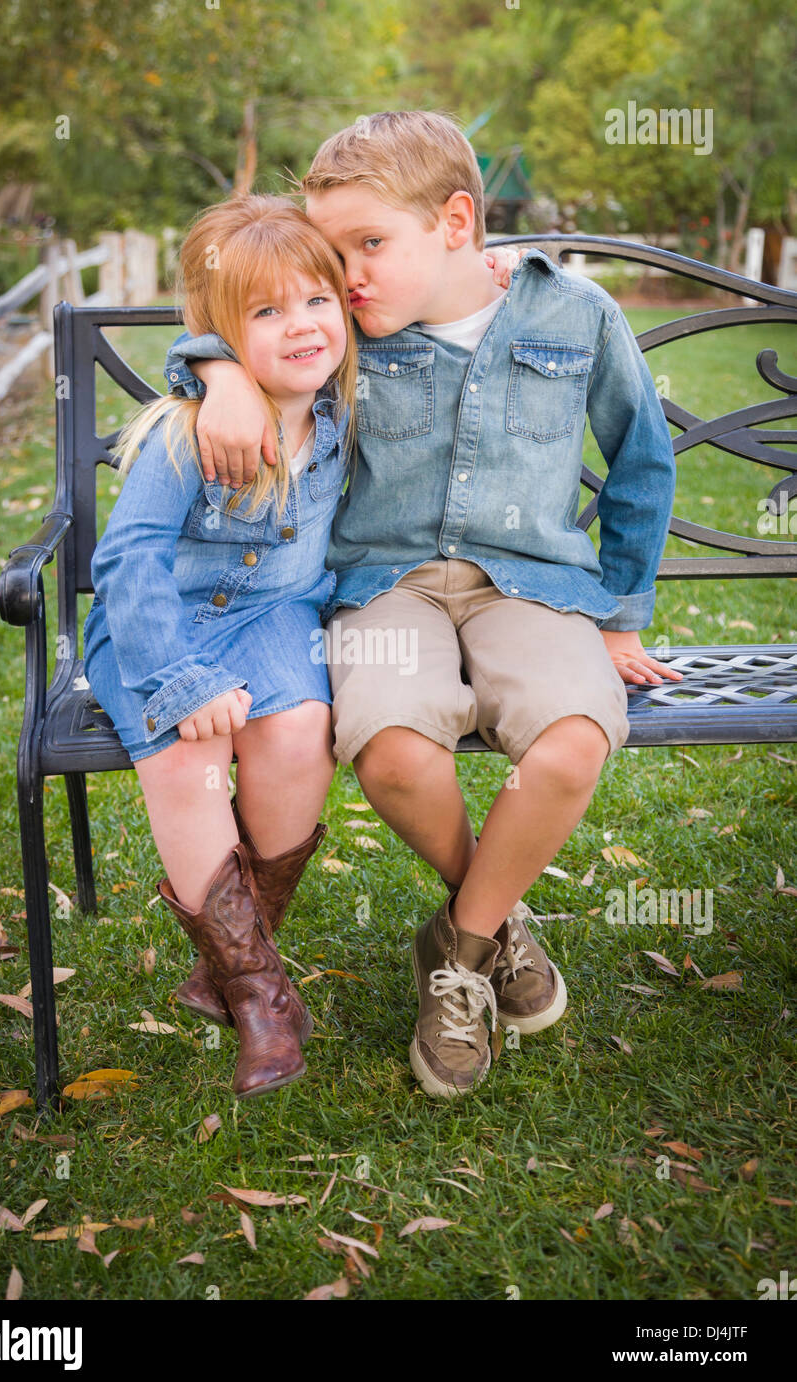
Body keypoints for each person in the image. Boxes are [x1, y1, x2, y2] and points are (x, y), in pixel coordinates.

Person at [162, 110, 684, 1099]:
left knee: (571, 740)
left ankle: (460, 947)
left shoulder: (572, 312)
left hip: (528, 584)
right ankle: (499, 925)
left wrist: (620, 612)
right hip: (386, 583)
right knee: (395, 751)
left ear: (452, 221)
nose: (347, 275)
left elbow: (640, 462)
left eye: (369, 245)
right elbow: (240, 307)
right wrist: (219, 371)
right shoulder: (348, 320)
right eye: (335, 251)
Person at [82, 193, 360, 1098]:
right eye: (267, 313)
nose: (303, 326)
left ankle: (233, 956)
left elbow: (436, 302)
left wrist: (497, 271)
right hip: (156, 621)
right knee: (187, 756)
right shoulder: (187, 429)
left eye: (317, 300)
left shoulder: (342, 412)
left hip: (275, 615)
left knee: (299, 728)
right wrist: (179, 678)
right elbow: (125, 563)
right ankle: (260, 996)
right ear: (223, 337)